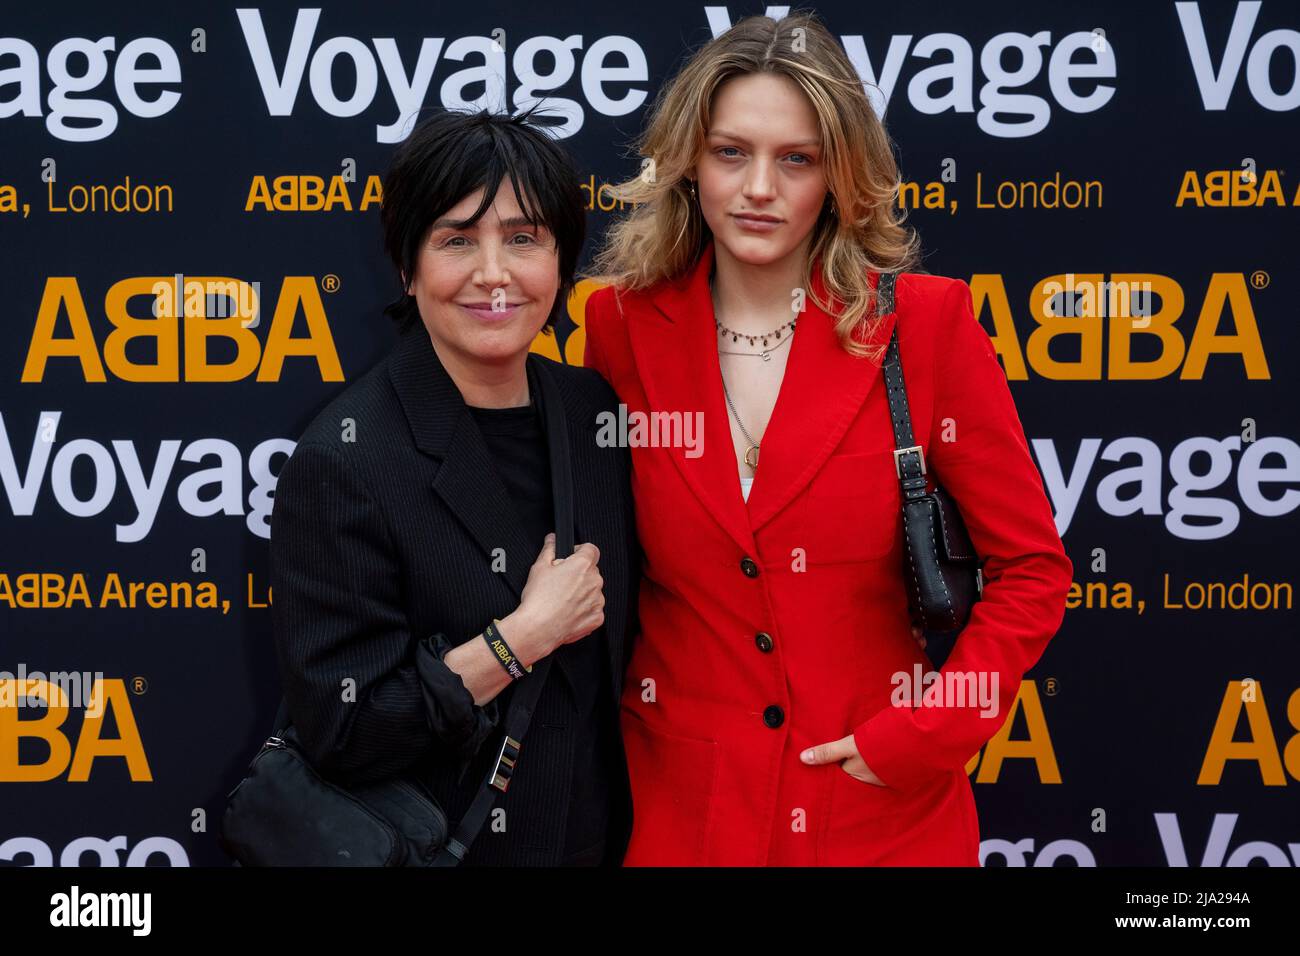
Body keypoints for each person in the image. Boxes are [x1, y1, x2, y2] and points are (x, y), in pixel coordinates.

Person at [582, 12, 1072, 865]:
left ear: (840, 176)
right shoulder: (620, 325)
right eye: (731, 151)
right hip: (682, 815)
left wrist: (920, 736)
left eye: (796, 159)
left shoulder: (924, 325)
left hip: (876, 817)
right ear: (688, 162)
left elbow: (1033, 572)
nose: (759, 187)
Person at [269, 107, 638, 866]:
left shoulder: (595, 415)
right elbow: (345, 728)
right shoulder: (346, 460)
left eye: (523, 238)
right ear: (407, 267)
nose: (494, 273)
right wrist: (519, 639)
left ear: (563, 262)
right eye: (457, 239)